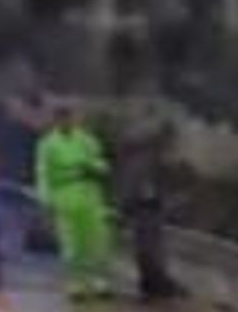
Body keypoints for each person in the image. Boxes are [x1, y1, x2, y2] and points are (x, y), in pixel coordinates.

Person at [35, 102, 115, 299]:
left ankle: (98, 281)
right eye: (62, 118)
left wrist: (93, 167)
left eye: (69, 117)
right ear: (56, 120)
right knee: (71, 243)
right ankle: (76, 283)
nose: (66, 121)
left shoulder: (87, 141)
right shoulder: (47, 145)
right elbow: (43, 174)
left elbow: (103, 163)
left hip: (90, 195)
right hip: (65, 195)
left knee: (96, 240)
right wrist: (45, 200)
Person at [119, 124, 185, 301]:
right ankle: (154, 284)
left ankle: (151, 284)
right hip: (146, 209)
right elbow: (142, 187)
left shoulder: (147, 160)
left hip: (146, 208)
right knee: (150, 248)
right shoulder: (148, 161)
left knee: (148, 247)